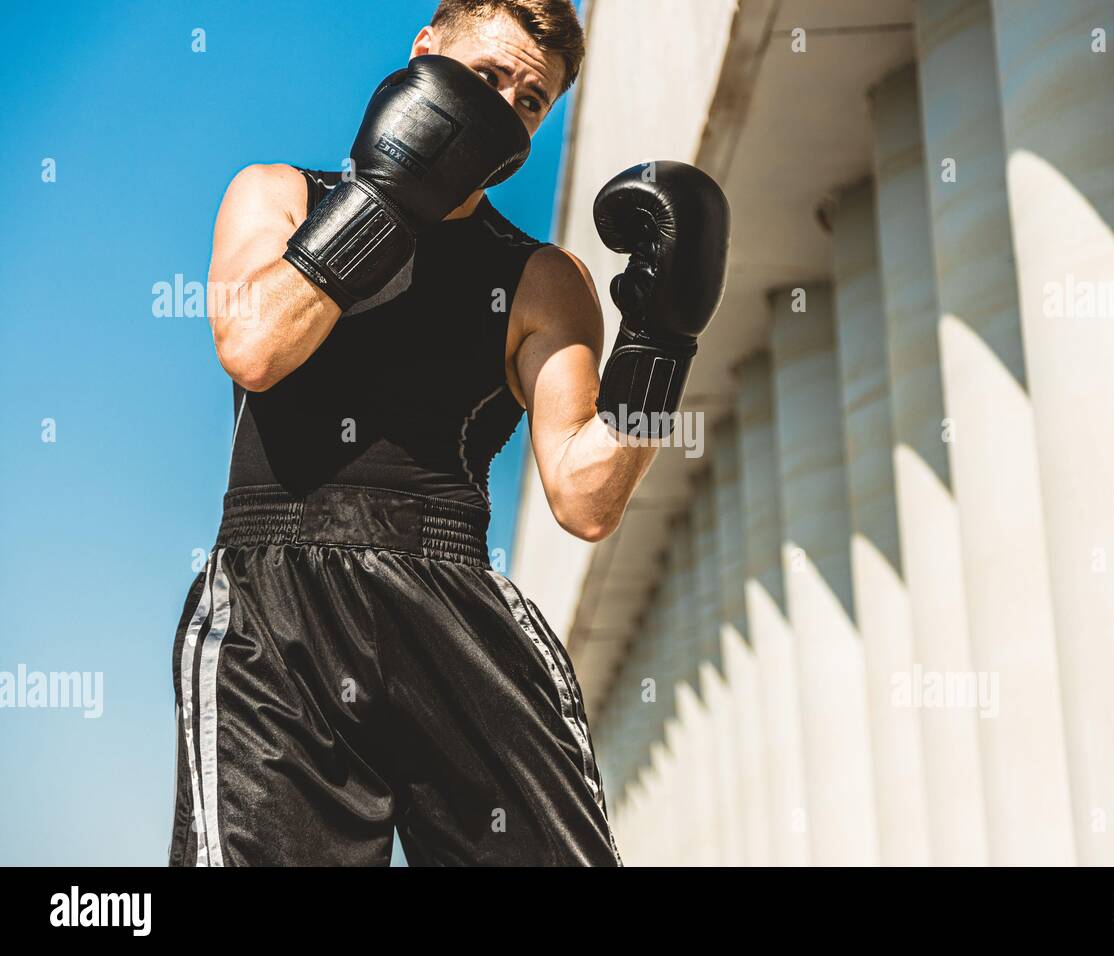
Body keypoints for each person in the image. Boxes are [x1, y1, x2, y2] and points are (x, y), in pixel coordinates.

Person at [169, 0, 729, 866]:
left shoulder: (542, 279)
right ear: (424, 53)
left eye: (531, 100)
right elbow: (253, 347)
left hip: (451, 596)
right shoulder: (277, 194)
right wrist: (389, 195)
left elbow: (587, 499)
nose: (506, 107)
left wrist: (661, 348)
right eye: (487, 77)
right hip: (273, 604)